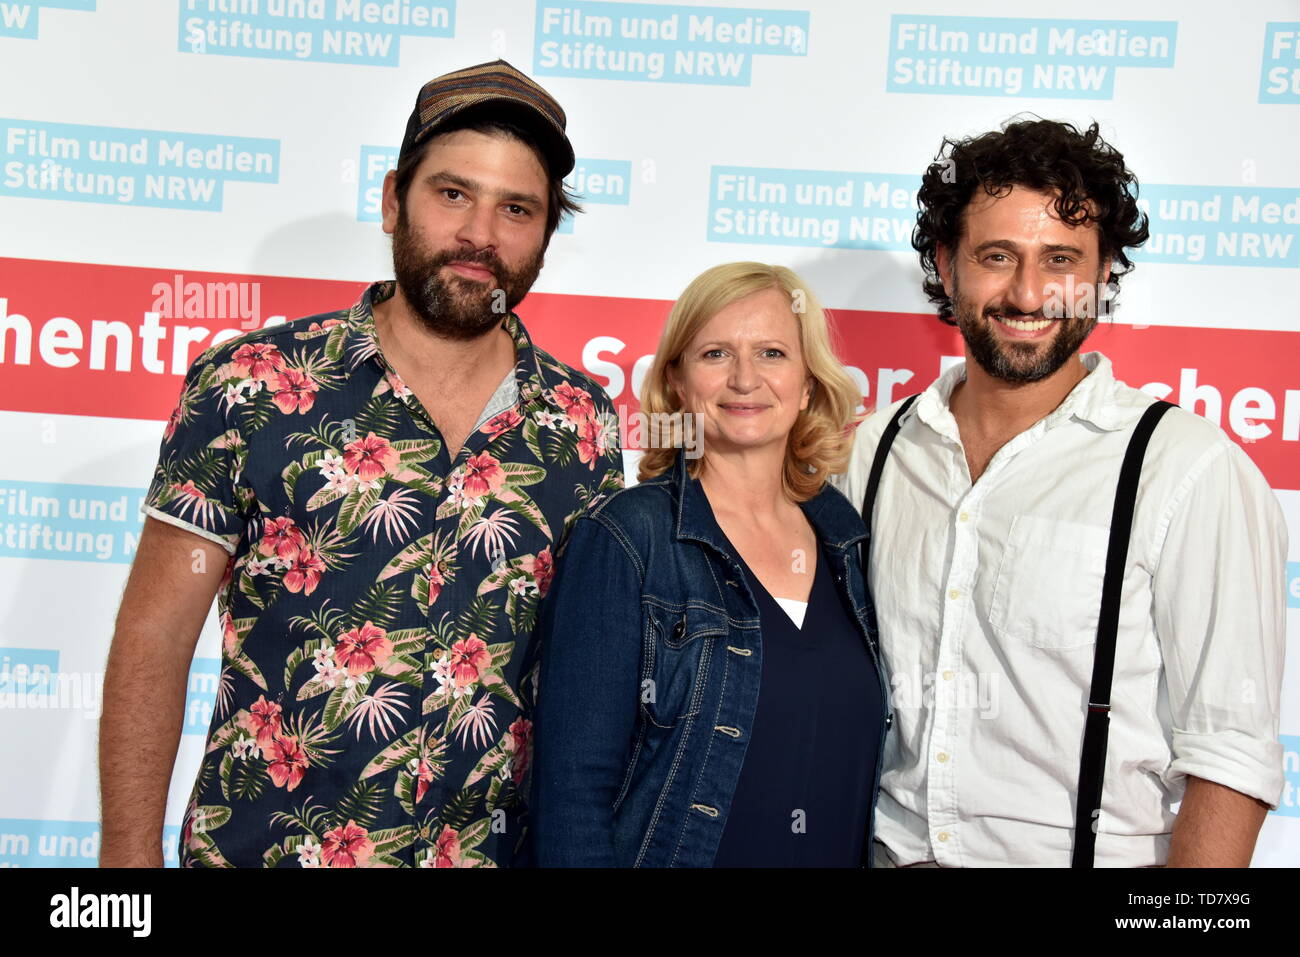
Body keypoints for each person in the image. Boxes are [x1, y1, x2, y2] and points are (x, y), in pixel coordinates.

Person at [99, 60, 624, 868]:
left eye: (516, 209)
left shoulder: (582, 425)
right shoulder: (251, 385)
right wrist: (125, 870)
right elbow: (154, 636)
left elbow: (582, 684)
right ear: (391, 200)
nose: (481, 234)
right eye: (452, 194)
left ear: (547, 238)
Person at [832, 118, 1287, 868]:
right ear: (947, 266)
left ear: (1105, 272)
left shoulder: (1187, 469)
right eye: (997, 256)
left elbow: (1231, 760)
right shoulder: (870, 452)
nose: (1028, 291)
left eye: (1062, 260)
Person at [526, 262, 890, 867]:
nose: (745, 379)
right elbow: (572, 794)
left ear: (807, 384)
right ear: (676, 383)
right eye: (716, 353)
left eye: (772, 352)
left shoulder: (847, 540)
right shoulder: (626, 537)